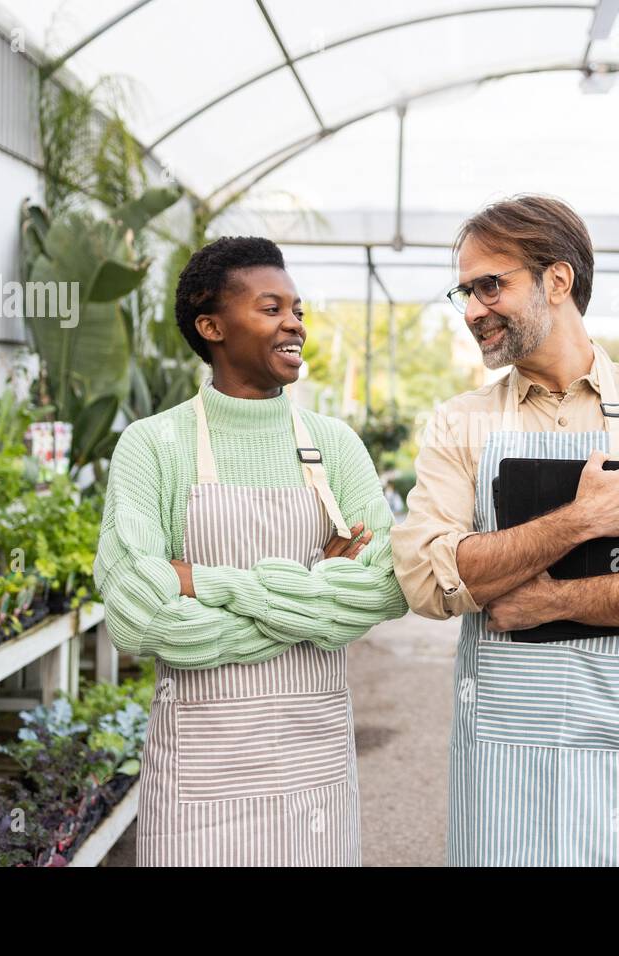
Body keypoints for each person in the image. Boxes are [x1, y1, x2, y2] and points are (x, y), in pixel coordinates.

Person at [391, 195, 619, 866]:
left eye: (490, 285)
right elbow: (423, 577)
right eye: (464, 292)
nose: (471, 310)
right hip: (501, 749)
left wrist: (552, 602)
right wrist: (581, 520)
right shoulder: (459, 421)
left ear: (558, 281)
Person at [93, 236, 408, 866]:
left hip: (312, 761)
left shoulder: (334, 445)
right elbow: (136, 616)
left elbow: (385, 588)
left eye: (297, 309)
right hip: (201, 767)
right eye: (271, 309)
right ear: (212, 326)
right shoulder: (153, 445)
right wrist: (316, 590)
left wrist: (199, 583)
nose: (294, 323)